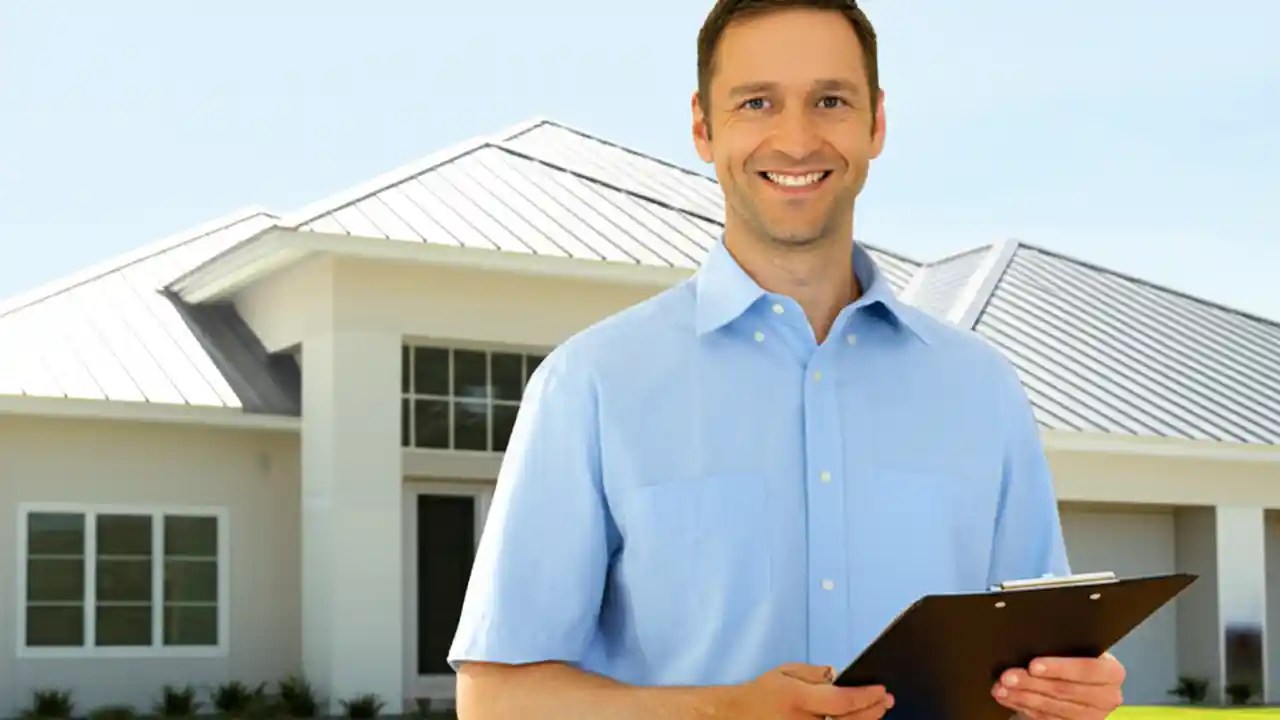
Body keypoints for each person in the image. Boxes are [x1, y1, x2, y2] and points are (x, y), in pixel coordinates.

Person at [448, 1, 1127, 717]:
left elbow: (1039, 664)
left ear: (876, 124)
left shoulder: (980, 388)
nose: (797, 139)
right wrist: (722, 712)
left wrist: (1067, 693)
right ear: (703, 129)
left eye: (830, 101)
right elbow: (495, 698)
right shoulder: (588, 386)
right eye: (757, 103)